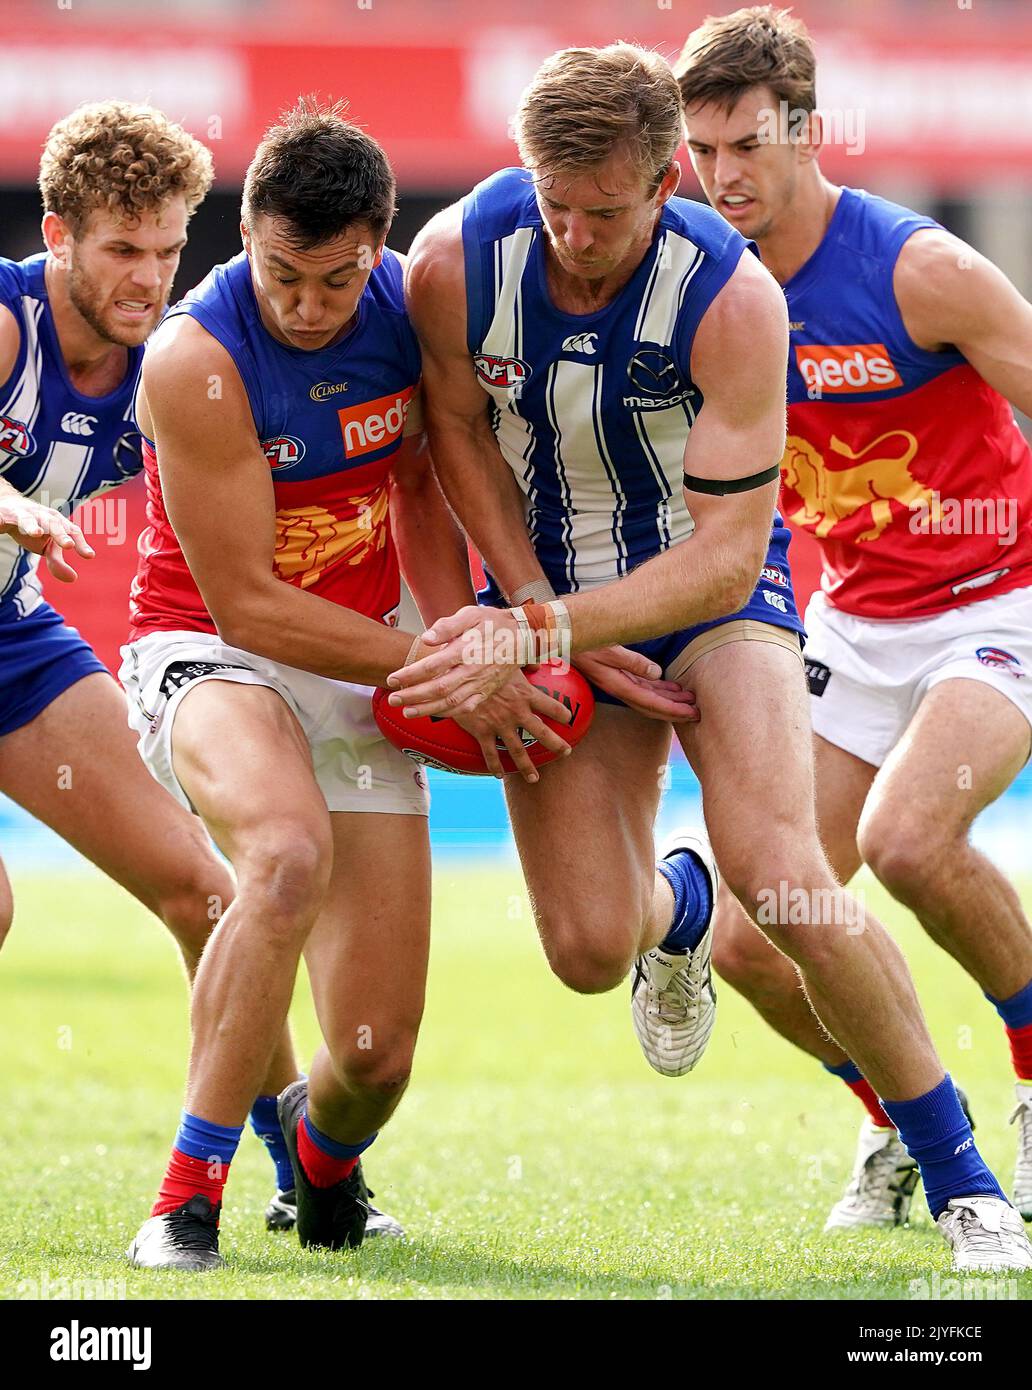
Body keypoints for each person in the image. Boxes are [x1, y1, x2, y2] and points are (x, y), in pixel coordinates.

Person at [392, 42, 1032, 1270]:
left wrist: (545, 632)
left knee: (790, 875)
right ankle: (679, 905)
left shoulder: (737, 294)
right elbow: (453, 439)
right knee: (588, 952)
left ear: (660, 179)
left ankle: (966, 1182)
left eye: (609, 211)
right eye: (554, 206)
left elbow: (734, 560)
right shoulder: (457, 262)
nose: (576, 235)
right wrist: (523, 609)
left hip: (720, 595)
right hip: (558, 593)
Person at [120, 98, 577, 1271]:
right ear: (246, 233)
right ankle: (185, 1198)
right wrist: (445, 667)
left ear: (378, 243)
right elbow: (246, 605)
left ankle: (321, 1171)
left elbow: (424, 490)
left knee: (374, 1057)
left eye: (335, 279)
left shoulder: (413, 313)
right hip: (210, 653)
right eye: (283, 275)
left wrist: (471, 623)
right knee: (282, 852)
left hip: (368, 650)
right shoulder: (195, 358)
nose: (309, 306)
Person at [675, 4, 1032, 1233]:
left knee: (909, 840)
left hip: (1003, 600)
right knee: (747, 940)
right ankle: (897, 1125)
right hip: (854, 623)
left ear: (808, 131)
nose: (723, 177)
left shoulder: (917, 267)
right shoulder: (699, 283)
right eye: (703, 151)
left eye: (749, 147)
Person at [0, 100, 303, 1229]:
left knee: (207, 891)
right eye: (123, 249)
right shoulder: (6, 322)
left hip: (11, 640)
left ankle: (307, 1178)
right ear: (57, 233)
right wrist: (10, 504)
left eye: (171, 249)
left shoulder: (163, 367)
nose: (148, 277)